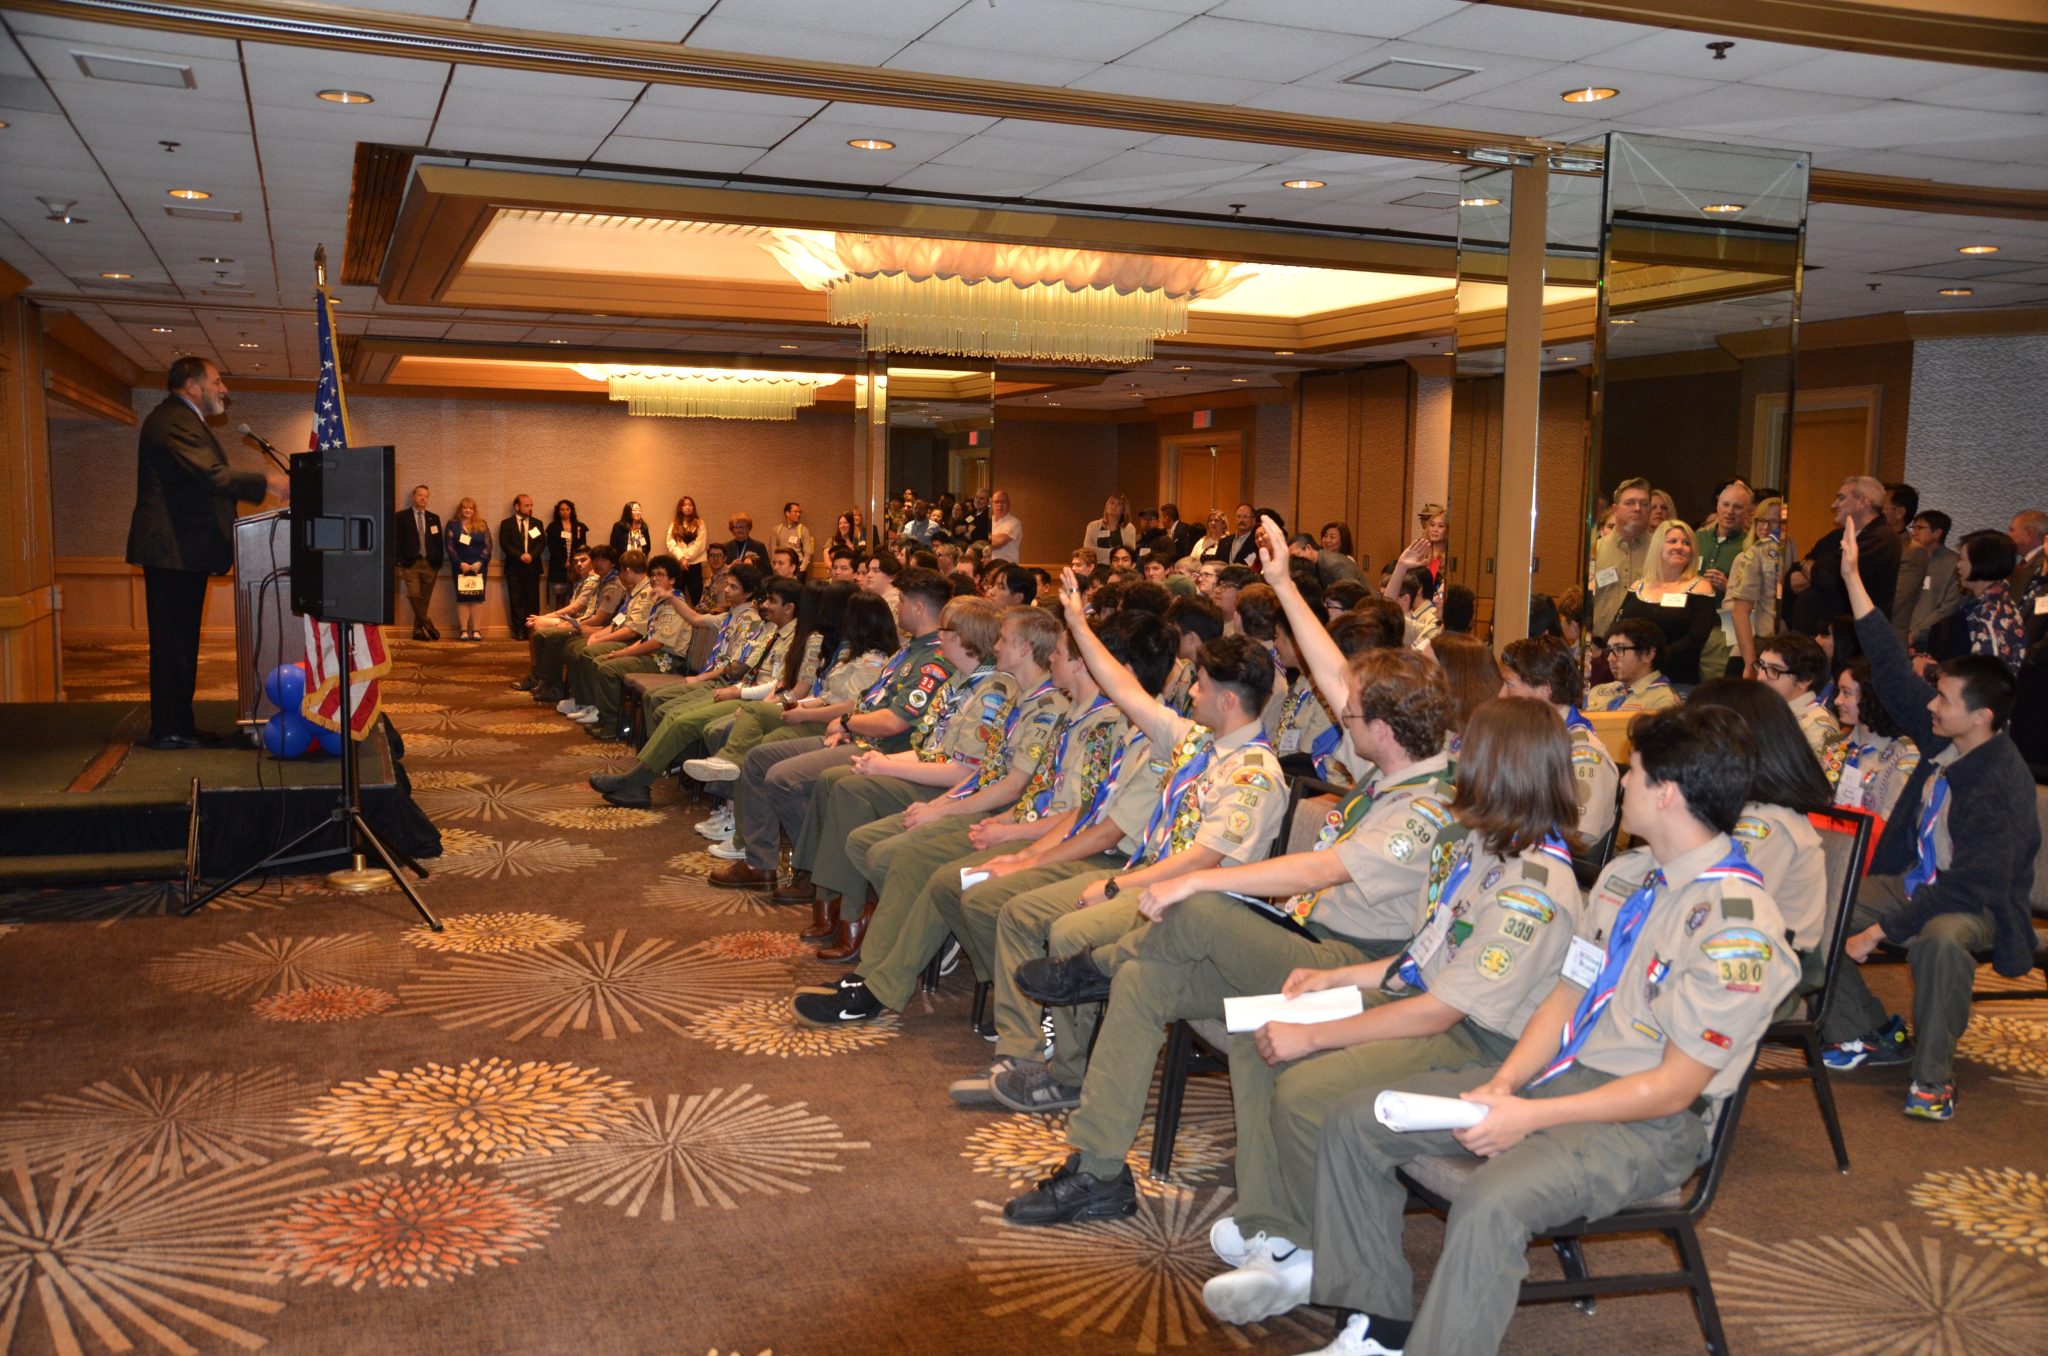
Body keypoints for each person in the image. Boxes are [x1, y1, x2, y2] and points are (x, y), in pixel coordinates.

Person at [1296, 703, 1796, 1356]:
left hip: (1645, 1121)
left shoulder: (1738, 928)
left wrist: (1527, 1120)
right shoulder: (1625, 877)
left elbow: (1673, 1089)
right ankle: (1378, 1326)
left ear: (1668, 794)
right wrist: (1506, 1085)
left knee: (1493, 1200)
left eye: (1635, 773)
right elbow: (1567, 994)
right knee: (1359, 1120)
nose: (1621, 784)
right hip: (1561, 1080)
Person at [1199, 698, 1584, 1326]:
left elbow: (1437, 1013)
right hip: (1429, 1004)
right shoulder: (1488, 850)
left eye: (1468, 754)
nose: (1455, 762)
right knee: (1257, 1031)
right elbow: (1422, 957)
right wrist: (1336, 976)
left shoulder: (1534, 888)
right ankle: (1280, 1228)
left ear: (1498, 769)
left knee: (1305, 1087)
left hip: (1479, 1044)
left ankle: (1314, 1251)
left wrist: (1314, 1033)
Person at [1820, 518, 2039, 1122]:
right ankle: (1869, 1029)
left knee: (1941, 944)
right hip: (1914, 881)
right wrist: (1853, 581)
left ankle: (1933, 1079)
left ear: (1983, 716)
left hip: (1980, 906)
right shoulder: (1947, 738)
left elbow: (1975, 885)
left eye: (1943, 699)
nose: (1931, 705)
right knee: (1816, 907)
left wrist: (1882, 931)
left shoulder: (1999, 780)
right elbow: (1891, 670)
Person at [124, 355, 284, 748]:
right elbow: (211, 477)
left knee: (180, 643)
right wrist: (267, 481)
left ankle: (178, 725)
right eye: (217, 381)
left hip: (181, 551)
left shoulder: (181, 419)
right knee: (173, 645)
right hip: (171, 551)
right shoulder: (173, 421)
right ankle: (170, 730)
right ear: (191, 385)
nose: (224, 389)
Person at [1499, 634, 1618, 844]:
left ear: (1544, 689)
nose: (1501, 696)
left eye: (1510, 685)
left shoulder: (1583, 753)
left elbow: (1579, 836)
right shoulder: (1526, 735)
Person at [1789, 475, 1901, 637]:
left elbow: (1831, 578)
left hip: (1853, 641)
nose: (1833, 505)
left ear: (1863, 501)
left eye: (1841, 498)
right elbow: (1796, 573)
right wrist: (1811, 567)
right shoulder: (1836, 536)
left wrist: (1812, 568)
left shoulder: (1882, 539)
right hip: (1818, 639)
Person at [1614, 520, 1719, 690]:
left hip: (1677, 682)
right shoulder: (1637, 587)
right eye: (1672, 541)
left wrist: (1652, 658)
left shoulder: (1700, 587)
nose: (1679, 547)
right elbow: (1617, 629)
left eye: (1686, 543)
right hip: (1630, 682)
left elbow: (1696, 638)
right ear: (1658, 547)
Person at [1831, 658, 1922, 828]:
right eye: (1839, 692)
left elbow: (1894, 827)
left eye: (1846, 693)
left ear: (1872, 697)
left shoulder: (1905, 756)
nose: (1837, 701)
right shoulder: (1840, 747)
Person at [1924, 529, 2024, 672]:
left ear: (1981, 563)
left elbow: (1982, 682)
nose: (1958, 565)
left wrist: (1932, 670)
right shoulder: (1984, 603)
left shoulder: (1992, 616)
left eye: (1963, 558)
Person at [1755, 631, 1846, 770]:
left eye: (1774, 670)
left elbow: (1814, 784)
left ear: (1805, 679)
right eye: (1761, 666)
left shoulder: (1818, 726)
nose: (1761, 677)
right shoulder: (1768, 712)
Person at [1696, 479, 1753, 679]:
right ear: (1717, 505)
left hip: (1723, 629)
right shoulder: (1697, 538)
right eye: (1726, 505)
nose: (1730, 511)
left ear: (1748, 512)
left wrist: (1728, 586)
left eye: (1738, 507)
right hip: (1692, 625)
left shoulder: (1749, 546)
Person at [1726, 495, 1786, 678]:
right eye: (1761, 521)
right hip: (1751, 644)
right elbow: (1734, 609)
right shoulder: (1747, 556)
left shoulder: (1787, 550)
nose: (1765, 527)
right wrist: (1750, 661)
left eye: (1773, 522)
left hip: (1780, 643)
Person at [1590, 477, 1653, 637]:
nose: (1637, 508)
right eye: (1630, 503)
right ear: (1615, 509)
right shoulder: (1593, 551)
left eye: (1644, 504)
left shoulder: (1661, 552)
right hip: (1599, 647)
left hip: (1645, 648)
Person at [1894, 510, 1961, 647]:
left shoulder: (1955, 564)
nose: (1914, 532)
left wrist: (1916, 633)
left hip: (1930, 639)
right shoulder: (1907, 558)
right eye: (1913, 527)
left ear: (1937, 533)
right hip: (1897, 631)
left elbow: (1949, 607)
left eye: (1920, 528)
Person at [1586, 618, 1676, 712]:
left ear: (1647, 654)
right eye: (1609, 650)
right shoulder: (1598, 690)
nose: (1610, 658)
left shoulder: (1663, 700)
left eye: (1620, 649)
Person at [393, 482, 443, 641]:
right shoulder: (401, 517)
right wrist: (399, 560)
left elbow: (438, 542)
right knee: (414, 595)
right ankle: (427, 624)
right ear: (414, 497)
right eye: (420, 495)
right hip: (410, 563)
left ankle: (418, 631)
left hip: (430, 564)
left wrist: (438, 562)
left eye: (425, 496)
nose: (423, 498)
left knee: (425, 601)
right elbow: (395, 541)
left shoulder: (434, 518)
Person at [497, 493, 543, 639]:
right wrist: (519, 555)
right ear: (517, 506)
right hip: (514, 567)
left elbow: (541, 543)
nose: (530, 508)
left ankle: (531, 630)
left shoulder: (537, 523)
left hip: (532, 567)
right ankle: (518, 631)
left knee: (532, 601)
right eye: (526, 505)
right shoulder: (506, 524)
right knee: (516, 600)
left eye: (531, 505)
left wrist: (531, 555)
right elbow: (504, 543)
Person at [447, 496, 492, 642]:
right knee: (463, 599)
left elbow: (488, 545)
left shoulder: (482, 524)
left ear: (474, 510)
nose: (468, 510)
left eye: (471, 508)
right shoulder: (452, 525)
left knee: (477, 598)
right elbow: (449, 546)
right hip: (460, 568)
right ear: (460, 509)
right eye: (465, 507)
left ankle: (476, 630)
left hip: (479, 568)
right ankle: (464, 630)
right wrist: (460, 563)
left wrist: (481, 562)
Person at [543, 499, 587, 608]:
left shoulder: (579, 526)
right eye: (562, 509)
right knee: (560, 597)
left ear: (571, 510)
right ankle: (559, 622)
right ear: (558, 511)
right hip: (559, 566)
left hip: (576, 566)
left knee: (576, 596)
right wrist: (564, 562)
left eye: (567, 509)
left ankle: (572, 622)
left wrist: (572, 562)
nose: (565, 512)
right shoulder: (553, 527)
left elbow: (583, 547)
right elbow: (552, 547)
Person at [666, 496, 708, 604]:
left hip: (694, 564)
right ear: (680, 508)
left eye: (690, 505)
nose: (687, 507)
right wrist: (681, 558)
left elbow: (700, 544)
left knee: (696, 595)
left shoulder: (699, 523)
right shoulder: (674, 524)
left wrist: (686, 558)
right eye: (685, 505)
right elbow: (671, 543)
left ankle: (697, 617)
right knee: (677, 594)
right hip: (679, 564)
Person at [1080, 494, 1137, 564]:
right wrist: (1113, 552)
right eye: (1112, 503)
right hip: (1097, 567)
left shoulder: (1129, 528)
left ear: (1123, 510)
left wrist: (1100, 553)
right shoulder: (1093, 526)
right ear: (1107, 506)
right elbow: (1088, 551)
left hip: (1120, 568)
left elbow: (1129, 552)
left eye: (1119, 505)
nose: (1114, 506)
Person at [1411, 503, 1448, 602]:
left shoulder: (1450, 557)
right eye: (1432, 525)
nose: (1435, 530)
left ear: (1448, 530)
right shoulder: (1420, 551)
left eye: (1440, 526)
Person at [769, 501, 814, 574]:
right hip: (781, 564)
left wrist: (803, 567)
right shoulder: (777, 529)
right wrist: (775, 566)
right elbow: (773, 550)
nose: (798, 514)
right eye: (796, 512)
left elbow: (808, 551)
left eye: (799, 512)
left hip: (797, 565)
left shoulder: (803, 529)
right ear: (787, 513)